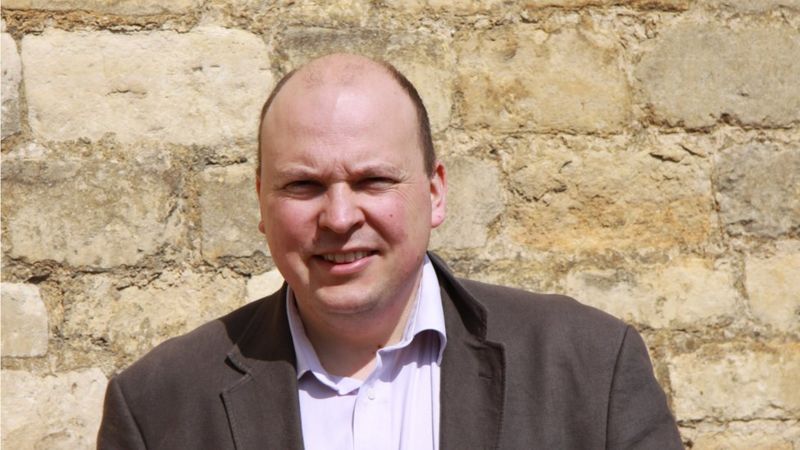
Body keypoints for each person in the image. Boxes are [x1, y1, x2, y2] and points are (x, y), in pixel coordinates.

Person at [98, 53, 683, 449]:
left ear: (435, 193)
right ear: (261, 203)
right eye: (303, 185)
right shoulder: (157, 407)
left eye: (373, 180)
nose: (340, 217)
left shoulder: (589, 368)